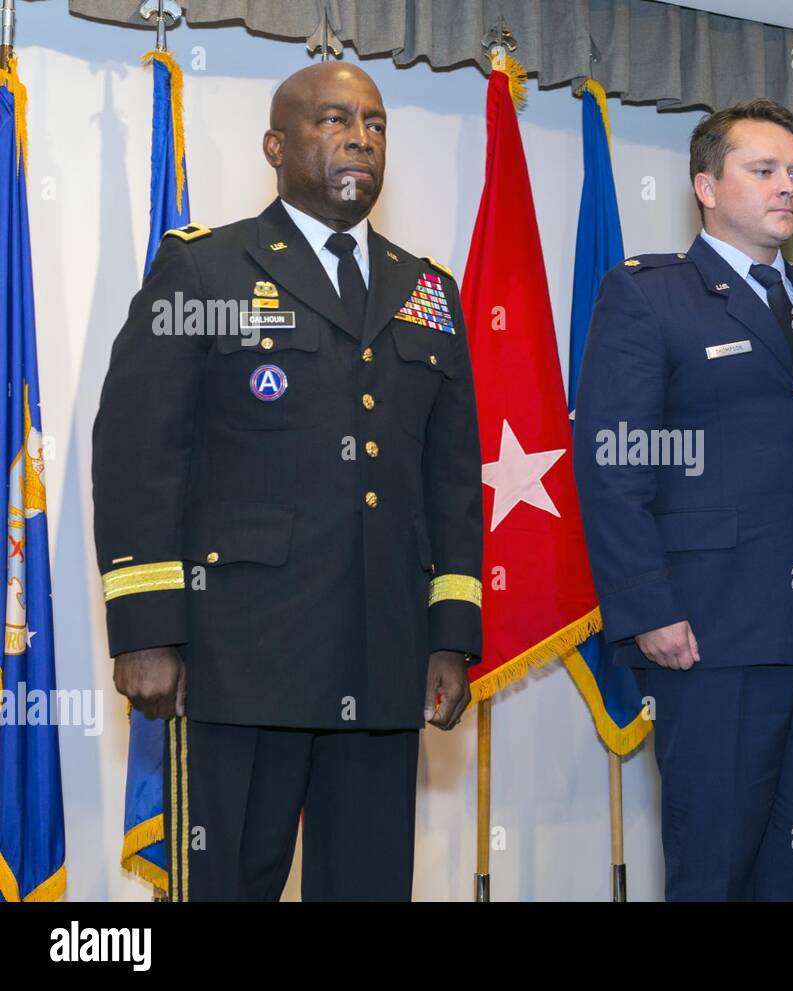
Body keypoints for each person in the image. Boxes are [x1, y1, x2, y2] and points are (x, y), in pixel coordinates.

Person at [92, 63, 483, 901]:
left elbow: (450, 478)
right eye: (333, 119)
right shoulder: (206, 270)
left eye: (375, 124)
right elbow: (137, 449)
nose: (360, 138)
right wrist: (145, 629)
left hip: (382, 657)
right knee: (229, 883)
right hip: (241, 657)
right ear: (276, 145)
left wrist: (449, 631)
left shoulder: (427, 292)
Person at [573, 99, 793, 901]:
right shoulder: (651, 295)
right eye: (764, 170)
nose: (787, 187)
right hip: (709, 629)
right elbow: (614, 464)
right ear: (706, 185)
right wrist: (646, 606)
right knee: (715, 863)